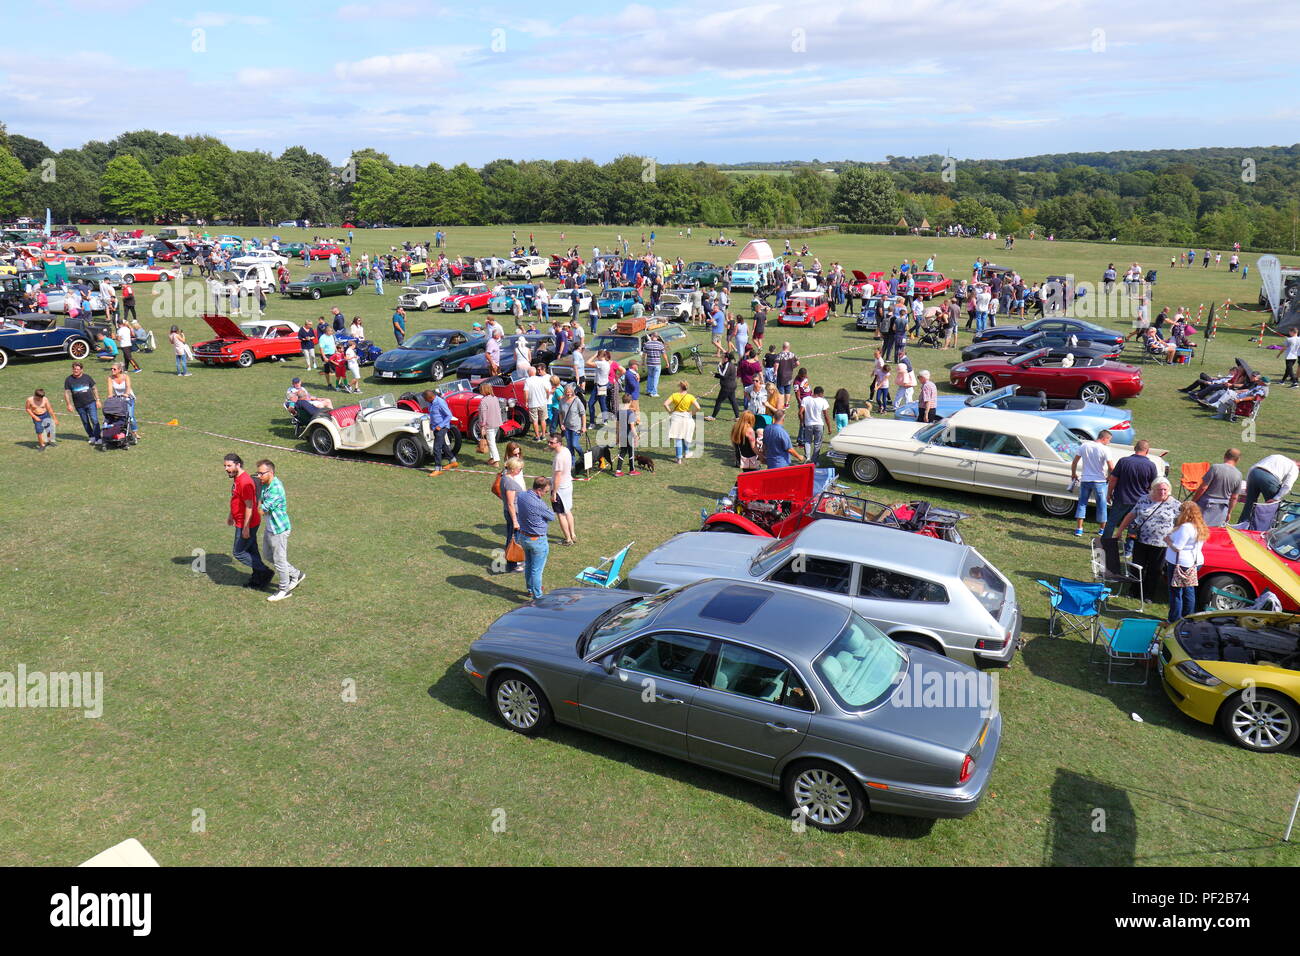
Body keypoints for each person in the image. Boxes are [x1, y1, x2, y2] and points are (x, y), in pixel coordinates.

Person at [1114, 477, 1181, 599]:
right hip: (1141, 540)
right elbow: (1131, 514)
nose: (1162, 492)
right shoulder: (1144, 499)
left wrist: (1174, 537)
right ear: (1153, 489)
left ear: (1169, 490)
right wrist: (1119, 531)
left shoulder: (1175, 504)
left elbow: (1182, 523)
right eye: (1159, 490)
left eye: (1165, 490)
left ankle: (1148, 594)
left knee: (1154, 570)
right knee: (1137, 567)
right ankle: (1133, 591)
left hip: (1161, 544)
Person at [255, 459, 304, 602]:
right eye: (257, 473)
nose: (258, 476)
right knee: (268, 555)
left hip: (279, 530)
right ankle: (296, 574)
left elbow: (262, 510)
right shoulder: (265, 485)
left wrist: (253, 507)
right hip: (270, 528)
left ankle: (284, 589)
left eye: (261, 473)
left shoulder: (276, 488)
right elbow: (261, 501)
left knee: (279, 560)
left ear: (270, 473)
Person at [223, 453, 273, 589]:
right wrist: (231, 515)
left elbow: (249, 506)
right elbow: (236, 498)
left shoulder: (245, 482)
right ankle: (259, 579)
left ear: (238, 465)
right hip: (241, 520)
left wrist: (245, 528)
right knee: (251, 550)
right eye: (225, 466)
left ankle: (264, 571)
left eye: (229, 465)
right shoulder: (237, 478)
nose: (226, 469)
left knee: (238, 552)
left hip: (247, 523)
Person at [1102, 439, 1157, 538]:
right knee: (1133, 525)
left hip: (1121, 498)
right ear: (1147, 451)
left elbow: (1113, 479)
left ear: (1135, 448)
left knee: (1112, 522)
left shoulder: (1123, 461)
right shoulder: (1151, 465)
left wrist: (1109, 493)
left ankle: (1106, 542)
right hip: (1139, 500)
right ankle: (1128, 550)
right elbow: (1153, 485)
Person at [1165, 501, 1208, 622]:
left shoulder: (1186, 527)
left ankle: (1174, 619)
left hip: (1180, 563)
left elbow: (1177, 547)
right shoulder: (1200, 525)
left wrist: (1168, 540)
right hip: (1195, 561)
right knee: (1189, 591)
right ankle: (1188, 617)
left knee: (1176, 592)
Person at [516, 476, 556, 600]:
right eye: (545, 491)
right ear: (539, 490)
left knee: (528, 565)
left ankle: (530, 589)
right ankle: (538, 596)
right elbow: (552, 517)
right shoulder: (539, 504)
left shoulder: (521, 496)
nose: (545, 494)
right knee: (537, 570)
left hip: (524, 537)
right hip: (538, 541)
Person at [1070, 430, 1113, 535]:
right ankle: (1102, 529)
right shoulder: (1105, 449)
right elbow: (1111, 467)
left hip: (1085, 479)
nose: (1109, 442)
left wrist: (1074, 473)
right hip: (1099, 481)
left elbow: (1075, 461)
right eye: (1109, 440)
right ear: (1104, 438)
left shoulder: (1084, 446)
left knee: (1082, 503)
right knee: (1101, 504)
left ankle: (1079, 528)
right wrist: (1109, 477)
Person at [1240, 454, 1299, 525]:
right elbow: (1287, 486)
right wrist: (1276, 498)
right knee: (1272, 506)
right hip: (1269, 479)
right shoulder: (1294, 468)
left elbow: (1253, 467)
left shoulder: (1277, 456)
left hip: (1254, 473)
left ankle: (1243, 524)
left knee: (1249, 503)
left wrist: (1248, 484)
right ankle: (1263, 527)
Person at [1192, 448, 1243, 527]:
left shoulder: (1215, 468)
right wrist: (1229, 512)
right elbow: (1234, 497)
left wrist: (1193, 501)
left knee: (1197, 529)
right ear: (1238, 460)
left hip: (1205, 506)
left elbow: (1203, 487)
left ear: (1225, 456)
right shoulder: (1238, 474)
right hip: (1222, 509)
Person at [497, 453, 527, 574]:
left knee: (512, 537)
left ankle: (511, 560)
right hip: (514, 513)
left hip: (512, 512)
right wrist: (515, 521)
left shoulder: (506, 477)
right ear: (514, 469)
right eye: (520, 468)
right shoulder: (509, 482)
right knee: (513, 538)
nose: (521, 470)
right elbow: (510, 503)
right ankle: (512, 564)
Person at [548, 432, 577, 545]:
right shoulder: (566, 451)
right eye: (548, 442)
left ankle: (568, 539)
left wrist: (554, 492)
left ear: (558, 443)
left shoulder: (559, 458)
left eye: (551, 442)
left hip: (560, 489)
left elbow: (558, 476)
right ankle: (573, 534)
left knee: (560, 514)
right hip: (568, 484)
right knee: (568, 511)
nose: (549, 444)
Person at [63, 362, 102, 445]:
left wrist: (98, 400)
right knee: (85, 421)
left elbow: (94, 388)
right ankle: (91, 436)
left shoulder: (87, 377)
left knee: (94, 420)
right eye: (74, 369)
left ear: (81, 370)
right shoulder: (68, 379)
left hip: (91, 402)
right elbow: (66, 392)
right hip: (79, 405)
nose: (75, 371)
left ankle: (98, 438)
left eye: (77, 369)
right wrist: (69, 404)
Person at [423, 388, 459, 474]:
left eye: (425, 399)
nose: (425, 401)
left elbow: (449, 415)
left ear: (430, 397)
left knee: (436, 448)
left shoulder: (440, 402)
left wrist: (440, 426)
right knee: (443, 445)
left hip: (442, 427)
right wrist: (432, 425)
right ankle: (453, 461)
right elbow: (433, 414)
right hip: (435, 427)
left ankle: (438, 469)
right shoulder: (430, 402)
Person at [664, 380, 700, 464]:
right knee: (685, 436)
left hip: (676, 417)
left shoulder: (674, 395)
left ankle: (679, 458)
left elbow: (665, 404)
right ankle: (687, 452)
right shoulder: (690, 396)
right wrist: (692, 413)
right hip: (687, 417)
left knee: (678, 438)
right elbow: (698, 407)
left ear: (680, 387)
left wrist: (669, 411)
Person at [105, 364, 140, 444]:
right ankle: (120, 432)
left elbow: (128, 387)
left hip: (129, 398)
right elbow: (110, 389)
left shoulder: (125, 377)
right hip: (118, 399)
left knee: (130, 416)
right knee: (117, 416)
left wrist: (126, 394)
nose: (112, 370)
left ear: (119, 370)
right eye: (111, 369)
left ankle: (134, 432)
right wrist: (110, 396)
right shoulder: (110, 378)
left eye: (114, 369)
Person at [557, 383, 587, 469]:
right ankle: (572, 464)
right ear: (564, 392)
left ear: (573, 392)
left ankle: (583, 456)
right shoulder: (562, 401)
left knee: (574, 444)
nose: (568, 393)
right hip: (566, 427)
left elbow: (583, 414)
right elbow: (560, 413)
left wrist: (583, 426)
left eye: (570, 392)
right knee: (569, 446)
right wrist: (561, 424)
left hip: (576, 427)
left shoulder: (577, 400)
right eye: (567, 392)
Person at [705, 351, 739, 421]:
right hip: (732, 386)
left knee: (718, 401)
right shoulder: (730, 364)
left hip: (727, 387)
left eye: (722, 357)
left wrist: (719, 366)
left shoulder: (727, 365)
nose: (721, 358)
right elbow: (725, 375)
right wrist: (715, 375)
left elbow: (723, 374)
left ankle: (713, 417)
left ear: (726, 358)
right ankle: (737, 417)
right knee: (733, 401)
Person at [800, 385, 831, 462]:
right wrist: (829, 427)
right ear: (820, 393)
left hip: (808, 424)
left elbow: (800, 412)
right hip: (819, 424)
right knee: (817, 443)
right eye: (822, 394)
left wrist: (802, 422)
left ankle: (807, 458)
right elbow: (826, 415)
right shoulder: (823, 401)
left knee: (807, 441)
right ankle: (814, 461)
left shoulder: (806, 399)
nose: (823, 396)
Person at [478, 381, 504, 467]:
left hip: (489, 425)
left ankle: (496, 460)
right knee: (491, 442)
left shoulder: (483, 401)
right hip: (497, 423)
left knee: (491, 443)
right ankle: (492, 458)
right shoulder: (495, 398)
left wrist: (482, 427)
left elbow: (483, 415)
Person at [614, 401, 641, 476]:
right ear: (630, 402)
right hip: (629, 436)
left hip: (622, 435)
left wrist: (617, 437)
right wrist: (636, 436)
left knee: (622, 453)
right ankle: (632, 470)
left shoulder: (619, 412)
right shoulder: (630, 413)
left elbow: (617, 426)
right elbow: (632, 427)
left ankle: (618, 471)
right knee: (631, 453)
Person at [524, 366, 551, 440]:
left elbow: (526, 392)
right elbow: (548, 391)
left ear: (529, 373)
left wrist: (526, 402)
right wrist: (547, 398)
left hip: (533, 404)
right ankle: (543, 435)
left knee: (535, 421)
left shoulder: (527, 380)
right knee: (543, 420)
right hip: (542, 403)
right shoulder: (541, 379)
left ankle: (537, 436)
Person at [641, 331, 665, 397]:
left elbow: (644, 355)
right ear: (657, 337)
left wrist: (643, 362)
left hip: (649, 363)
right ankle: (654, 392)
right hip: (657, 364)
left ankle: (649, 391)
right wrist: (667, 363)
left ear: (651, 336)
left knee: (650, 377)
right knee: (656, 378)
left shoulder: (647, 344)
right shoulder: (660, 344)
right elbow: (664, 354)